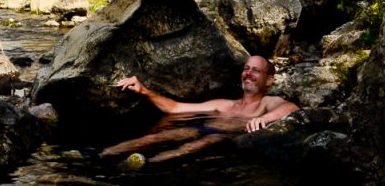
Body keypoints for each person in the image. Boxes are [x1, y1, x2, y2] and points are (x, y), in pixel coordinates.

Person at [116, 55, 299, 133]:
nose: (248, 73)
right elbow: (176, 108)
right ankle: (102, 155)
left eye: (256, 70)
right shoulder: (222, 104)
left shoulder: (267, 103)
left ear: (269, 80)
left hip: (223, 139)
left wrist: (265, 119)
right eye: (246, 68)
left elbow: (291, 108)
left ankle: (145, 167)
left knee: (197, 144)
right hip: (204, 130)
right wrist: (143, 90)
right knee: (161, 136)